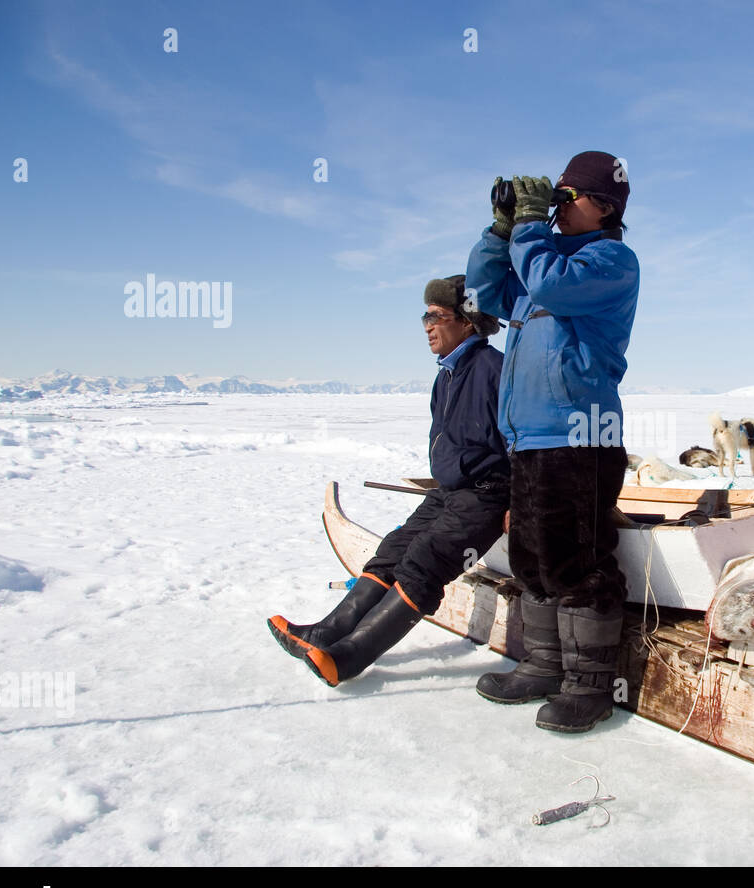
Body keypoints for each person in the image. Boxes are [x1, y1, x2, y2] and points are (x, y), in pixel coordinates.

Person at [465, 150, 639, 733]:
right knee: (533, 560)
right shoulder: (541, 261)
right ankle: (542, 664)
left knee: (580, 563)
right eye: (554, 197)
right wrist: (501, 230)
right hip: (531, 436)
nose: (559, 209)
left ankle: (589, 687)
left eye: (570, 198)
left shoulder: (610, 260)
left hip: (580, 437)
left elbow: (549, 284)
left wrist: (533, 226)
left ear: (606, 206)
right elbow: (483, 293)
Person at [267, 276, 508, 686]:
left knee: (424, 563)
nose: (428, 326)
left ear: (467, 322)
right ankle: (327, 633)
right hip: (449, 491)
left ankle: (347, 657)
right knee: (391, 551)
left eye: (437, 316)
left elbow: (525, 444)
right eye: (424, 317)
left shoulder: (495, 371)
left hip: (486, 494)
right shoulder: (446, 376)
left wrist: (518, 504)